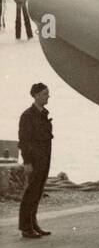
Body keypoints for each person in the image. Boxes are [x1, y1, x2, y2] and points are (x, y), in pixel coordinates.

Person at [18, 82, 53, 238]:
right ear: (36, 95)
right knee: (31, 192)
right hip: (34, 159)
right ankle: (26, 227)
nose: (48, 96)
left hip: (44, 158)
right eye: (45, 94)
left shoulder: (43, 113)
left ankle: (33, 224)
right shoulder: (27, 116)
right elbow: (24, 141)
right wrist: (27, 162)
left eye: (47, 93)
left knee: (38, 192)